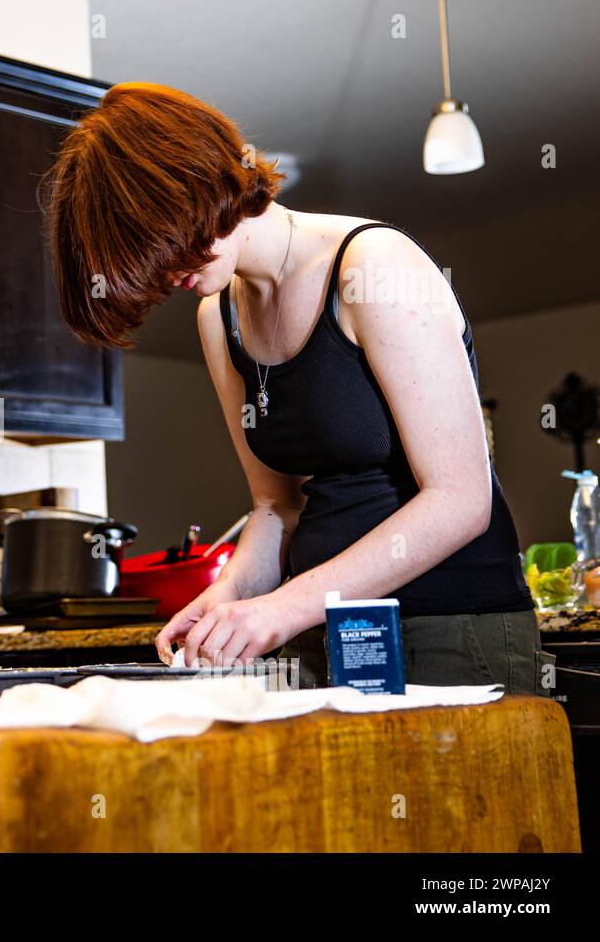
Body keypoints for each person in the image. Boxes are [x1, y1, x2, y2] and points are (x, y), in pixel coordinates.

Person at [45, 81, 546, 693]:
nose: (168, 274)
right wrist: (226, 599)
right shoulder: (218, 315)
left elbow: (462, 499)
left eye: (167, 244)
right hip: (325, 634)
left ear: (206, 185)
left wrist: (284, 609)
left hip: (452, 627)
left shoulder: (372, 267)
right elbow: (276, 506)